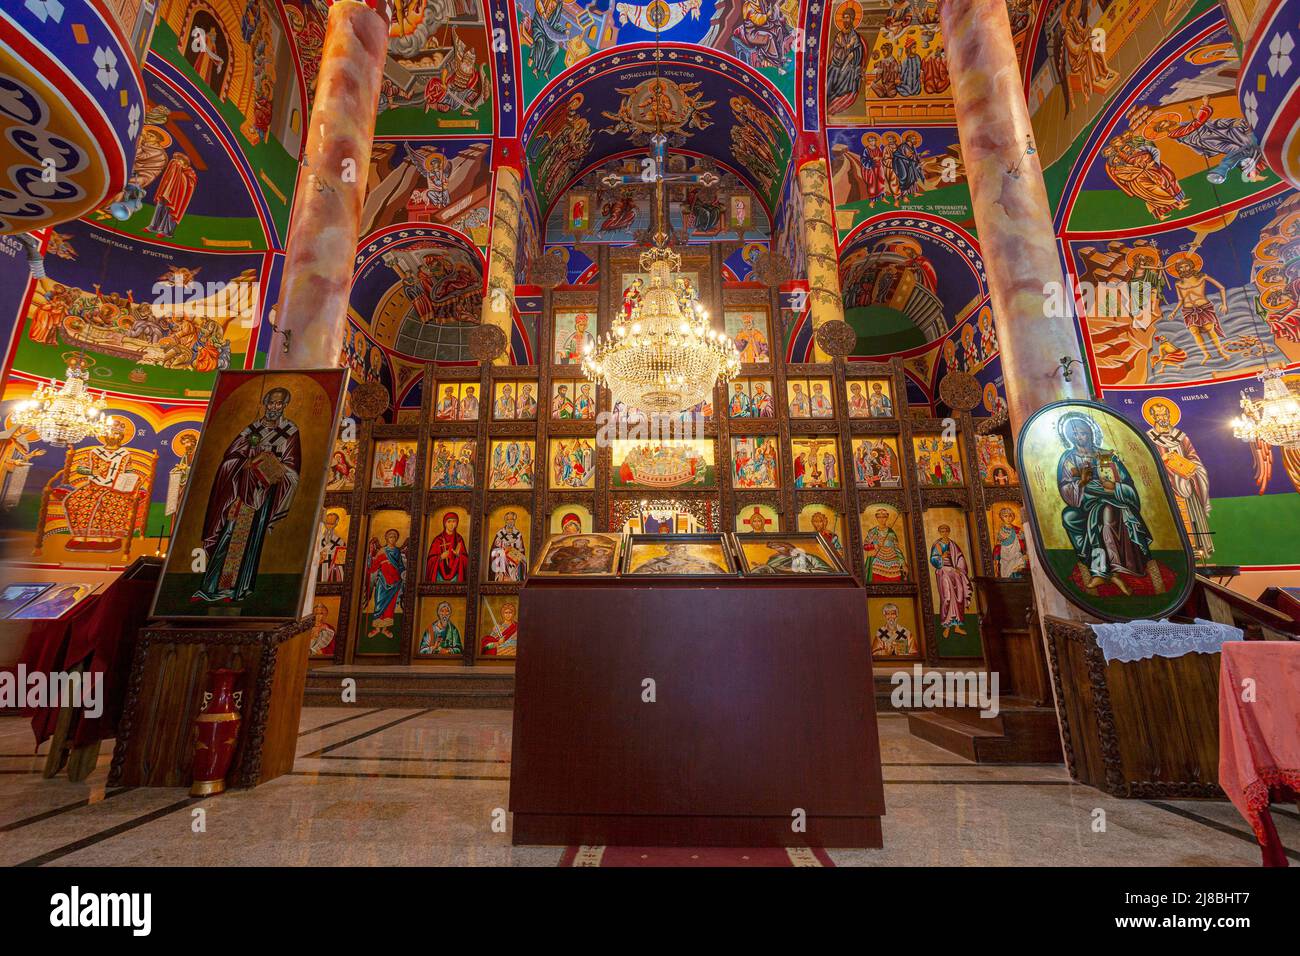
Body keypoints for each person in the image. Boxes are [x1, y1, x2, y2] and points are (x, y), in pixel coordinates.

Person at [194, 388, 300, 603]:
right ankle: (212, 587)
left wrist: (272, 467)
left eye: (279, 404)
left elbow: (293, 470)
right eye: (271, 403)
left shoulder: (290, 431)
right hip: (239, 492)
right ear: (265, 403)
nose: (274, 407)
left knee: (247, 540)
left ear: (284, 406)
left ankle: (235, 589)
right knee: (228, 535)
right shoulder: (251, 429)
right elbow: (230, 458)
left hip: (263, 494)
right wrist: (246, 463)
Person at [1056, 412, 1154, 594]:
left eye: (1083, 433)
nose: (1080, 437)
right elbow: (1065, 487)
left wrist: (1114, 487)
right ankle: (1099, 567)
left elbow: (1127, 485)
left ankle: (1108, 570)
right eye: (1075, 434)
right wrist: (1082, 482)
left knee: (1104, 511)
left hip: (1112, 500)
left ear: (1091, 434)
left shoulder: (1104, 456)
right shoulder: (1069, 458)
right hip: (1084, 502)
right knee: (1068, 516)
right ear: (1069, 437)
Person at [1144, 399, 1212, 558]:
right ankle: (1177, 551)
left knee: (1192, 517)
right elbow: (1146, 462)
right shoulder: (1149, 438)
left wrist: (1188, 467)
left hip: (1186, 485)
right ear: (1153, 417)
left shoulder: (1181, 437)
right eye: (1159, 415)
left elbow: (1194, 458)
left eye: (1165, 414)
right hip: (1166, 487)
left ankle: (1196, 549)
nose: (1163, 418)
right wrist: (1163, 459)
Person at [929, 524, 971, 637]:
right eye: (942, 531)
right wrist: (941, 557)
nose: (944, 533)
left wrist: (959, 568)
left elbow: (960, 557)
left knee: (959, 596)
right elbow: (933, 559)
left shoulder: (953, 544)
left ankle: (957, 626)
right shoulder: (937, 545)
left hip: (955, 572)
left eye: (946, 530)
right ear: (939, 532)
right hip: (943, 572)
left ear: (949, 531)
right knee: (947, 597)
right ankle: (946, 626)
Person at [365, 529, 406, 640]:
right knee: (379, 603)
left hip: (395, 582)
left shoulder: (397, 551)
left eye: (394, 537)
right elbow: (373, 567)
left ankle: (385, 629)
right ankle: (377, 629)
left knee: (390, 606)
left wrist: (403, 573)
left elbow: (401, 565)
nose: (392, 538)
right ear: (386, 538)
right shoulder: (382, 551)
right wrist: (370, 555)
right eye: (390, 536)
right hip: (383, 581)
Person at [863, 508, 906, 583]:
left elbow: (896, 548)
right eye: (879, 517)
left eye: (884, 517)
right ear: (877, 518)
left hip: (892, 559)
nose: (882, 519)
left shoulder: (891, 532)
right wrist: (874, 546)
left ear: (887, 518)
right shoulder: (873, 532)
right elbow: (865, 546)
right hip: (878, 558)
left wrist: (903, 563)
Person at [426, 511, 469, 583]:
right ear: (445, 523)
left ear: (456, 523)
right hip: (439, 575)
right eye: (449, 522)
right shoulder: (438, 540)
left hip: (456, 575)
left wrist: (458, 555)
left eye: (454, 521)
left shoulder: (459, 539)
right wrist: (440, 557)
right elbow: (430, 560)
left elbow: (466, 560)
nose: (451, 524)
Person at [489, 511, 526, 581]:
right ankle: (501, 577)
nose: (510, 521)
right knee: (502, 556)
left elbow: (521, 551)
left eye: (512, 519)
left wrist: (512, 551)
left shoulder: (518, 535)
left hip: (514, 558)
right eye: (508, 519)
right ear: (505, 521)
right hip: (502, 558)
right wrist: (503, 549)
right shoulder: (500, 534)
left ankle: (515, 578)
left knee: (522, 560)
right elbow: (494, 550)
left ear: (514, 521)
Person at [992, 507, 1028, 579]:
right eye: (1005, 516)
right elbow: (998, 546)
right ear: (1002, 517)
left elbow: (1024, 542)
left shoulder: (1017, 530)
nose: (1008, 518)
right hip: (1005, 555)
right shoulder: (1000, 531)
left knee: (1020, 561)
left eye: (1010, 516)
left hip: (1016, 554)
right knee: (1006, 572)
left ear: (1013, 517)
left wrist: (1022, 537)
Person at [317, 512, 346, 584]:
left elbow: (341, 562)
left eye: (331, 524)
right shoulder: (317, 540)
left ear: (336, 524)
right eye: (327, 523)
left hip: (333, 572)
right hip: (318, 571)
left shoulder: (340, 542)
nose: (329, 526)